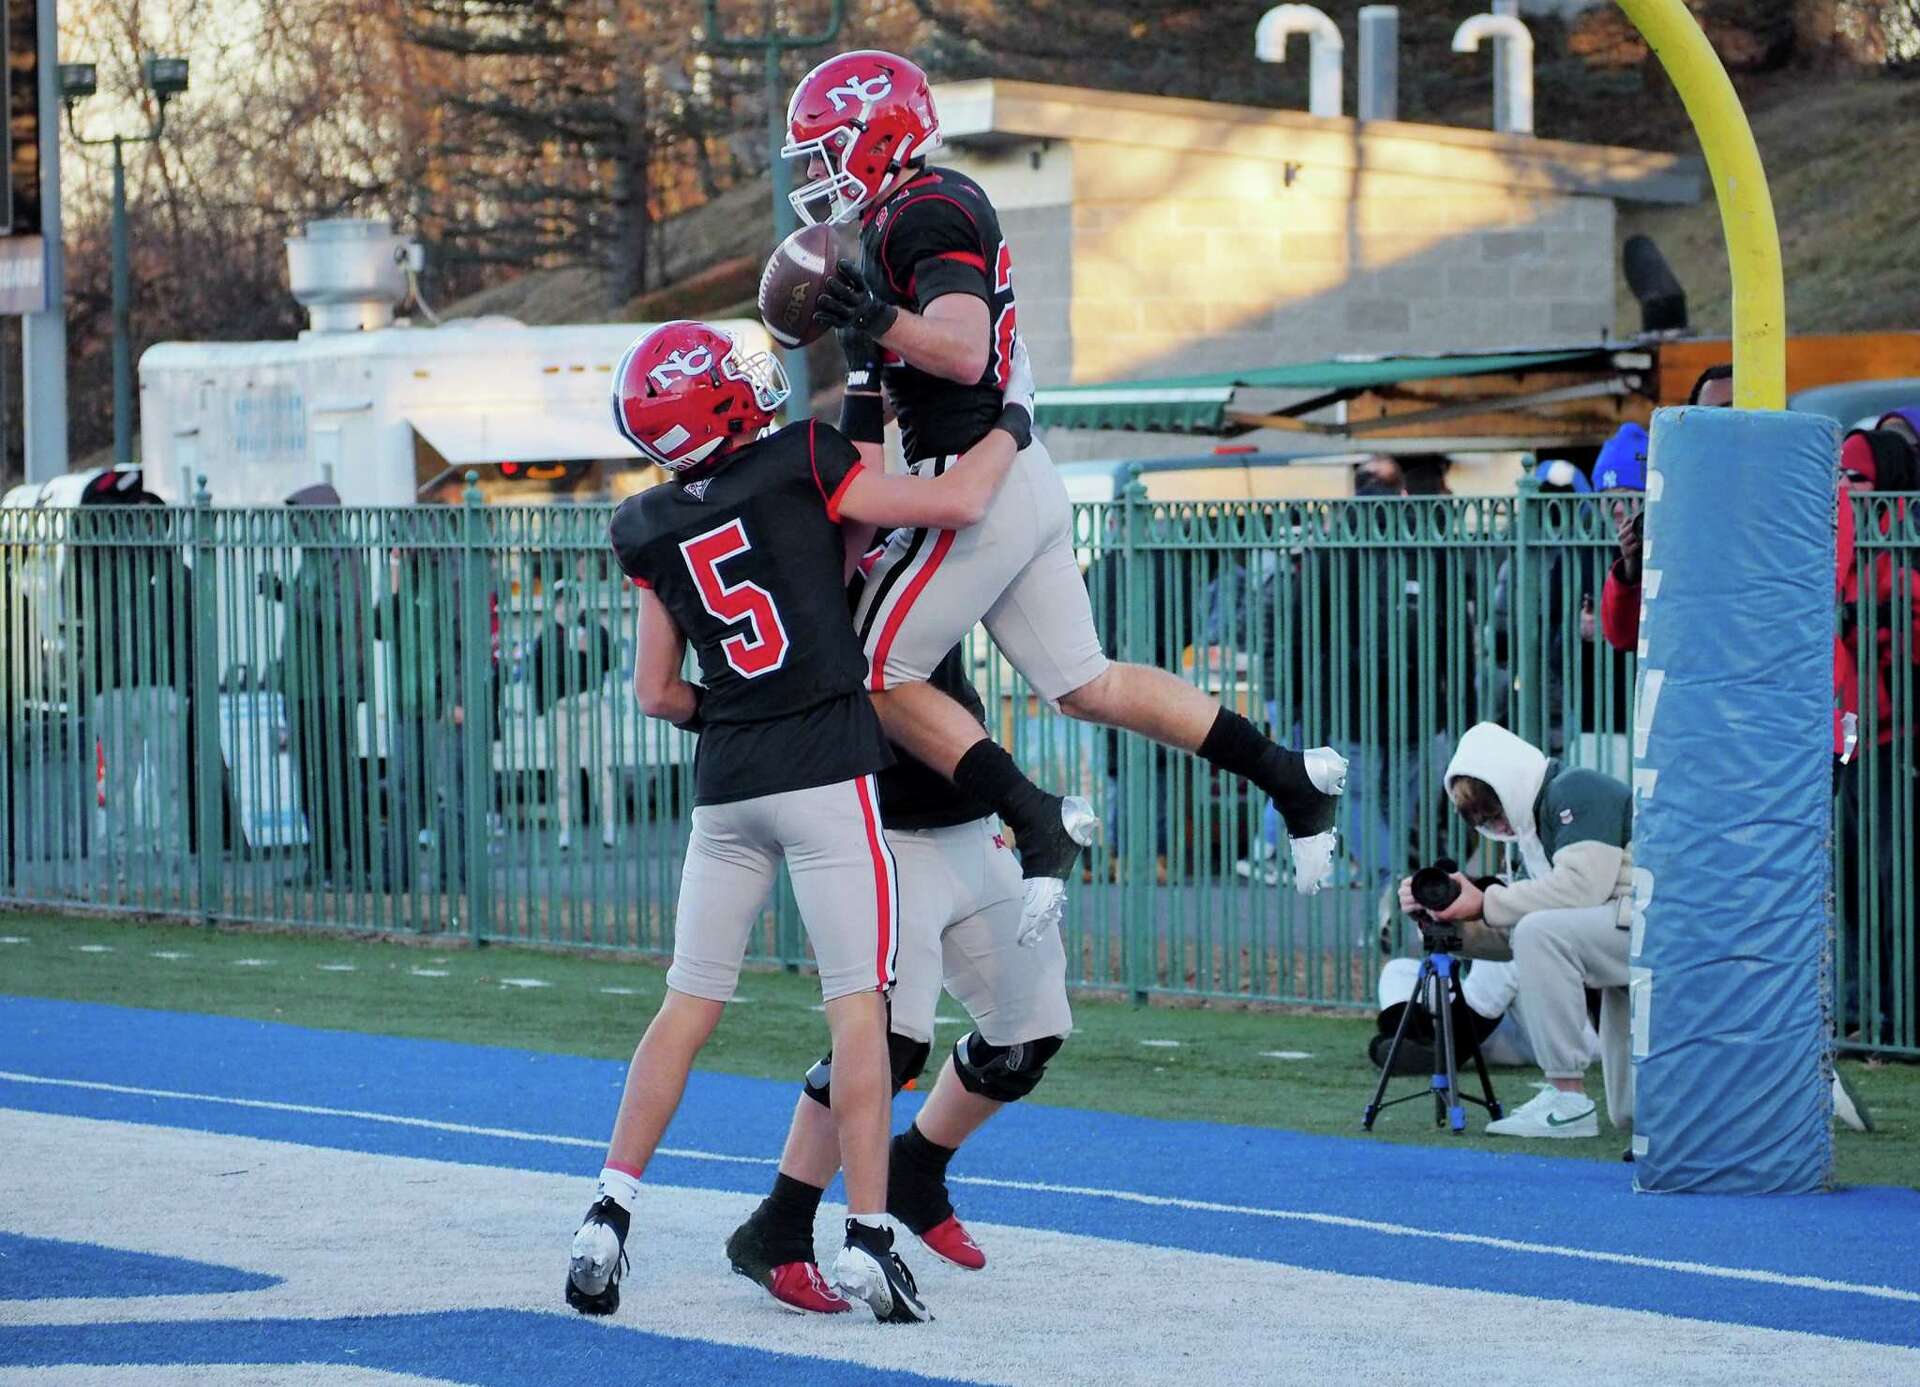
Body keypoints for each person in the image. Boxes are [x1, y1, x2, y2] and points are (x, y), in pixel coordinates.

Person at [784, 50, 1345, 911]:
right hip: (1013, 472)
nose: (819, 174)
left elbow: (965, 350)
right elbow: (937, 365)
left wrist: (876, 318)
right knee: (1087, 683)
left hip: (977, 477)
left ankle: (1035, 816)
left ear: (877, 137)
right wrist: (868, 358)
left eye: (827, 150)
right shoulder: (928, 204)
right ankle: (1287, 774)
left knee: (872, 670)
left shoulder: (922, 213)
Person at [566, 318, 1032, 1325]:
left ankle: (607, 1213)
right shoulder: (802, 459)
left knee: (687, 1006)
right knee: (857, 1005)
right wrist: (1017, 422)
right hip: (825, 773)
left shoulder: (647, 524)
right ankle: (866, 1233)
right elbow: (954, 499)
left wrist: (733, 708)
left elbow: (656, 694)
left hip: (728, 787)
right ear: (721, 403)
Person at [725, 639, 1071, 1313]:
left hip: (972, 825)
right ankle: (781, 1223)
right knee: (888, 1043)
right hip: (882, 830)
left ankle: (917, 1165)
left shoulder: (927, 549)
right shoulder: (826, 561)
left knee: (1030, 1033)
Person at [1396, 721, 1634, 1138]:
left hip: (1655, 923)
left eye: (1494, 807)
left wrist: (1485, 902)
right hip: (1623, 930)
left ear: (1511, 780)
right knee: (1632, 1114)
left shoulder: (1575, 788)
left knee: (1540, 932)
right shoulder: (1533, 836)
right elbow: (1518, 928)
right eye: (1479, 817)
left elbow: (1583, 888)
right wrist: (1445, 926)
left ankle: (1568, 1096)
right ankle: (1569, 1099)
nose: (1496, 824)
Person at [261, 483, 374, 889]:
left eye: (298, 518)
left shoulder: (343, 557)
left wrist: (288, 596)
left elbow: (341, 614)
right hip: (303, 686)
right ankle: (321, 860)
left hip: (333, 686)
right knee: (310, 777)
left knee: (336, 777)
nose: (293, 526)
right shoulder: (309, 559)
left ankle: (351, 862)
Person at [529, 578, 618, 851]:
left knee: (599, 768)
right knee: (564, 773)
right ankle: (566, 830)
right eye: (559, 601)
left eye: (568, 600)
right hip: (562, 709)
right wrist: (545, 709)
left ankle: (608, 827)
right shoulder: (547, 635)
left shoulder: (592, 629)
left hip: (591, 703)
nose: (564, 606)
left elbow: (612, 659)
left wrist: (588, 648)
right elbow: (539, 673)